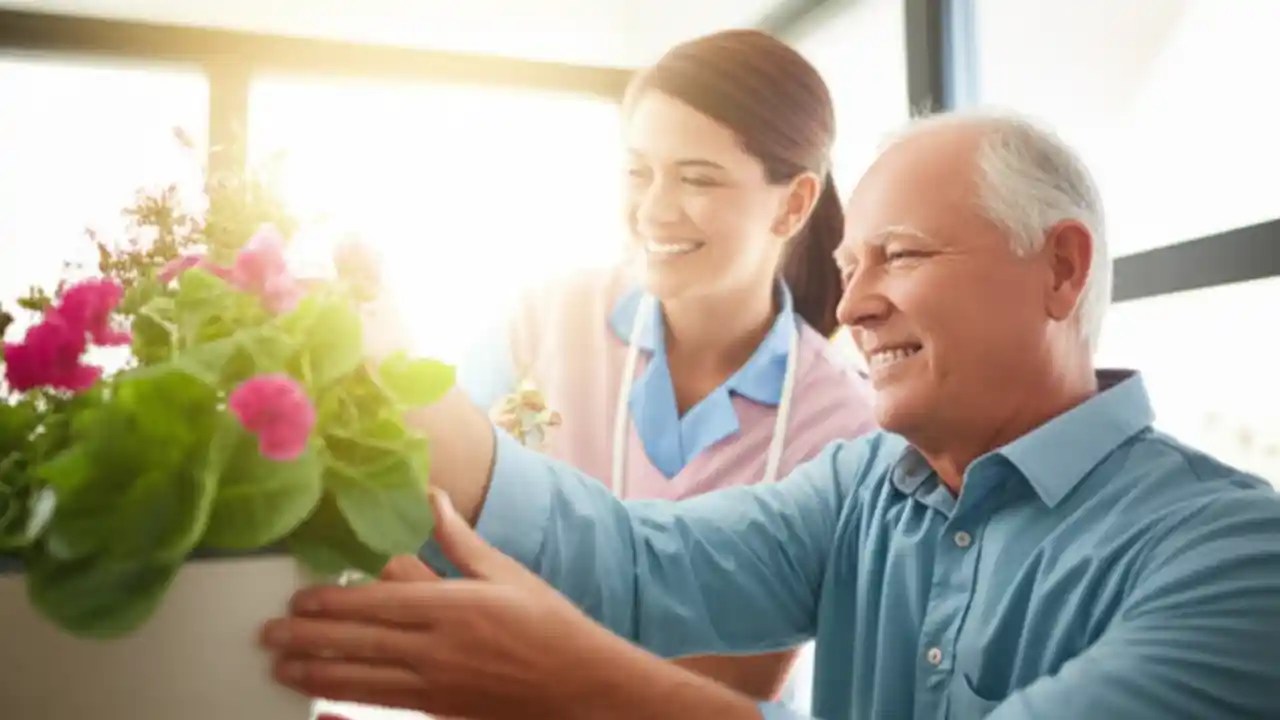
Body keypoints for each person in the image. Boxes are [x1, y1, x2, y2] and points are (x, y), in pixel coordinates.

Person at [260, 110, 1280, 719]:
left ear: (1059, 269)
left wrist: (592, 693)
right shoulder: (863, 493)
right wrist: (383, 372)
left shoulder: (1234, 555)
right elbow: (626, 557)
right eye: (845, 268)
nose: (850, 305)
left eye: (903, 255)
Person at [452, 28, 874, 699]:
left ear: (794, 203)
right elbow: (429, 498)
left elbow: (746, 676)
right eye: (638, 171)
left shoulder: (845, 421)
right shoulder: (547, 317)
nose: (653, 209)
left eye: (697, 178)